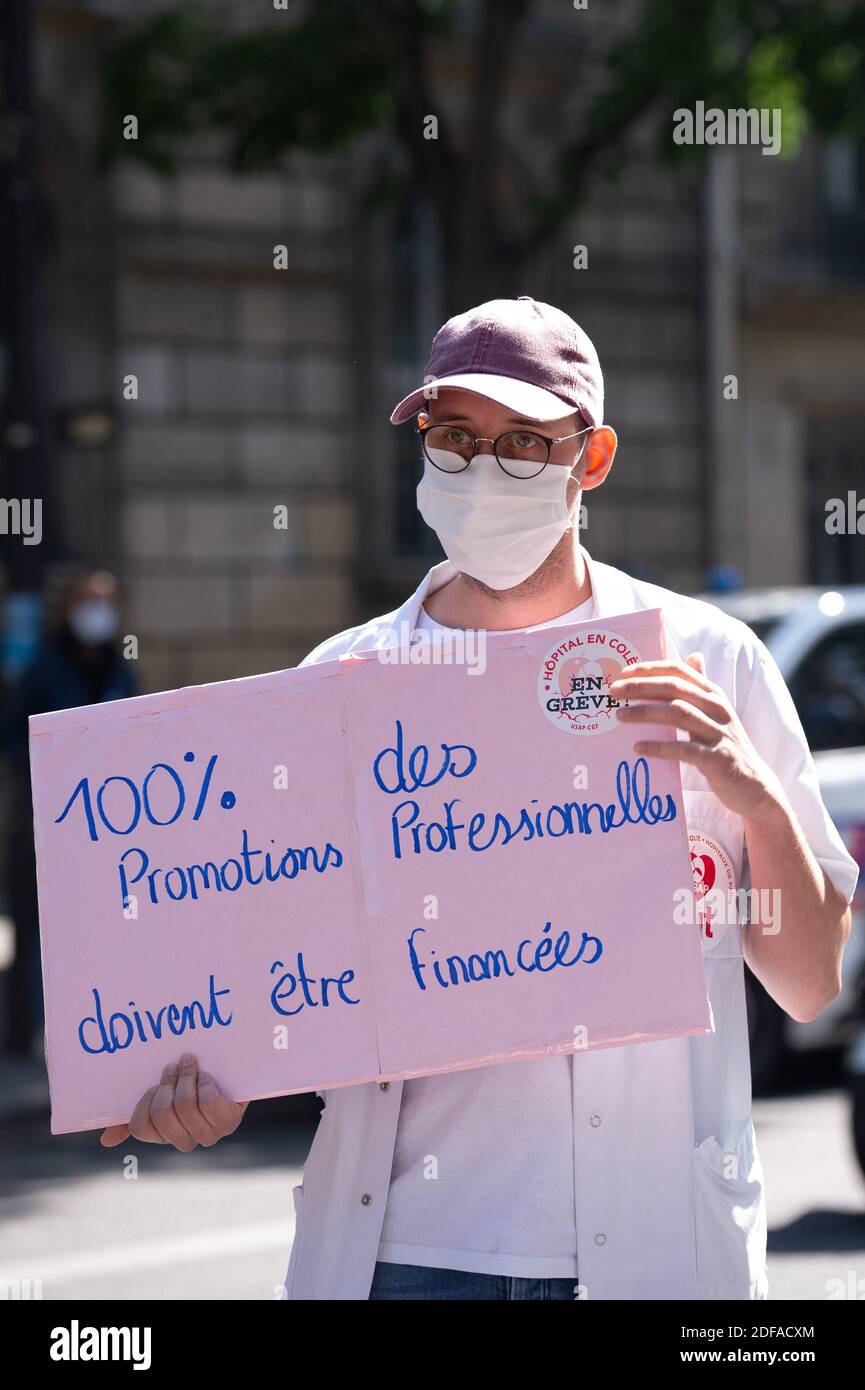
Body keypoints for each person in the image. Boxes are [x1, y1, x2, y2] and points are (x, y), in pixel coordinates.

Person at [102, 297, 858, 1302]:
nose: (480, 469)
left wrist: (756, 800)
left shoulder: (708, 663)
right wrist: (194, 1078)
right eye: (454, 437)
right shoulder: (343, 680)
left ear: (589, 462)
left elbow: (811, 984)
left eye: (521, 444)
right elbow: (273, 970)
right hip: (406, 1260)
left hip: (649, 1256)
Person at [4, 568, 136, 1054]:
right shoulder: (43, 669)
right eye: (88, 601)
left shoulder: (120, 669)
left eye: (106, 601)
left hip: (109, 832)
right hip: (48, 829)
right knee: (45, 931)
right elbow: (14, 740)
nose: (97, 612)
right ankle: (40, 1033)